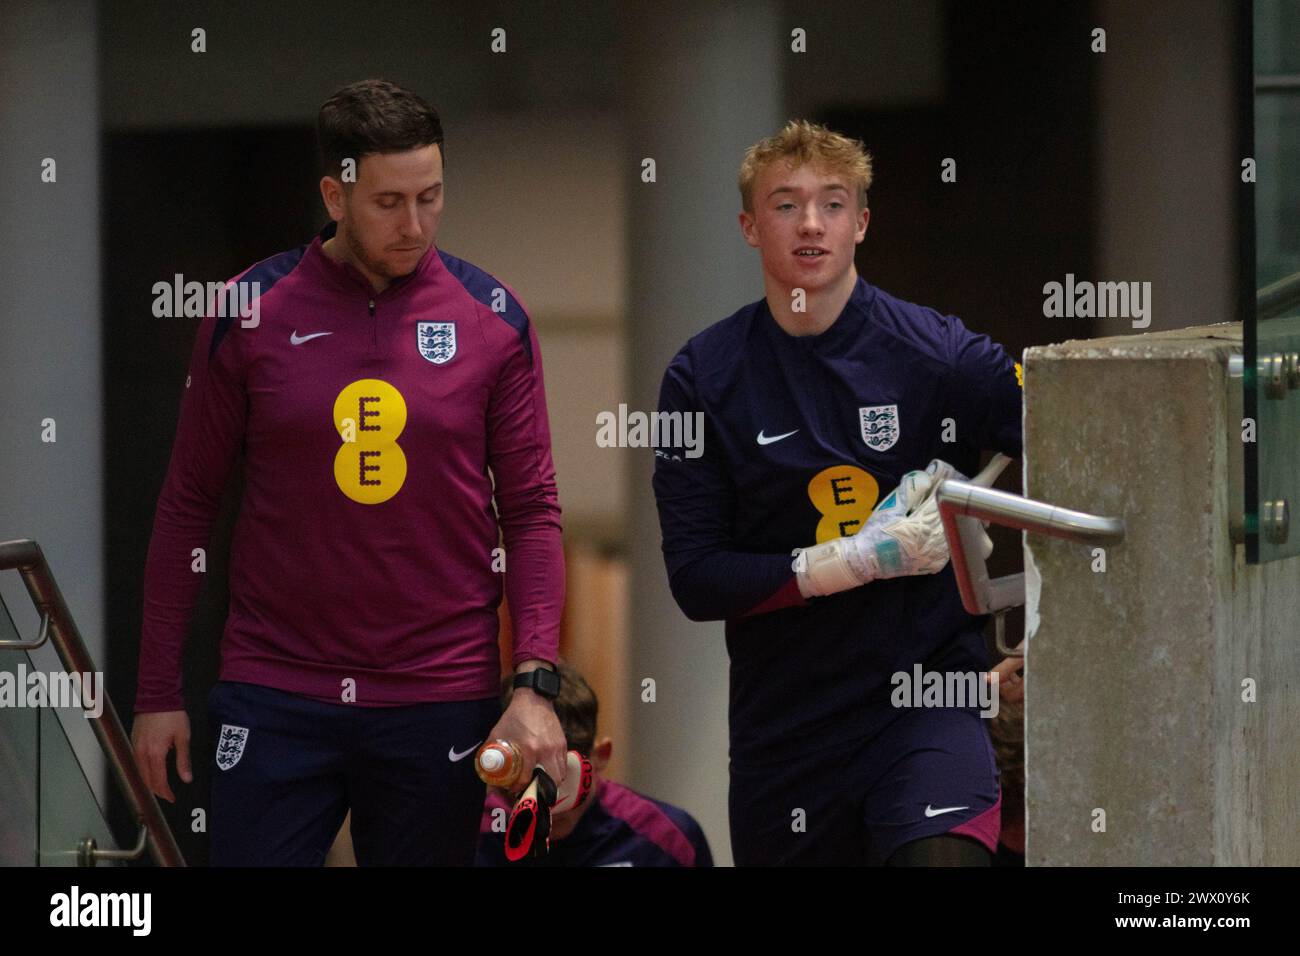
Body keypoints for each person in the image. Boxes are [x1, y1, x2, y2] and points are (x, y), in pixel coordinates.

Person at [129, 78, 568, 866]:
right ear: (335, 194)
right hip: (275, 689)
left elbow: (533, 509)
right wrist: (158, 690)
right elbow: (187, 504)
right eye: (389, 203)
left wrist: (534, 685)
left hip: (439, 694)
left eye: (431, 196)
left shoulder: (494, 319)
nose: (416, 225)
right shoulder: (248, 312)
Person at [651, 119, 1024, 866]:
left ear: (862, 222)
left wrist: (1050, 635)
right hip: (786, 729)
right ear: (750, 227)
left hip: (927, 705)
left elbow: (1083, 458)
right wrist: (852, 560)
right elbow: (696, 578)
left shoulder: (941, 355)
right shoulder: (702, 377)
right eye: (785, 205)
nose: (811, 223)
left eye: (833, 202)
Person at [476, 660, 713, 867]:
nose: (547, 806)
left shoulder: (666, 836)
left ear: (601, 755)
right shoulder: (469, 839)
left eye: (563, 778)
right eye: (527, 782)